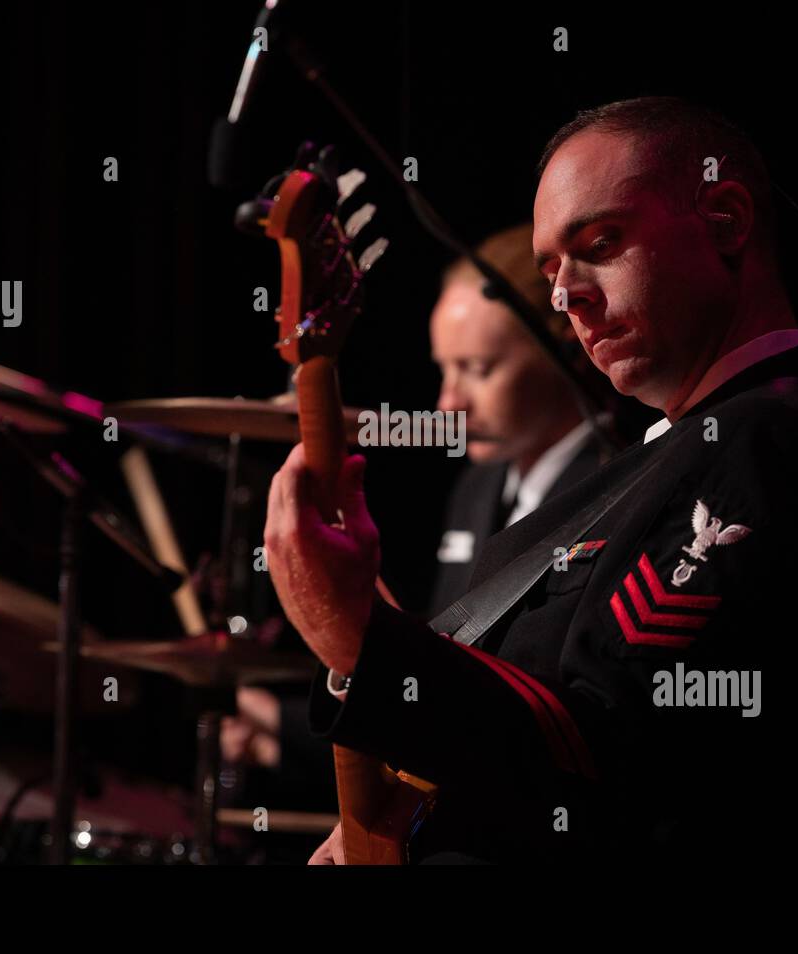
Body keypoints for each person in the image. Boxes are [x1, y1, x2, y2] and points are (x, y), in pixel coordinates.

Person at [264, 96, 798, 864]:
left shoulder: (770, 439)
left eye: (599, 243)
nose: (565, 297)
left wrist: (354, 636)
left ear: (725, 220)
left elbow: (606, 754)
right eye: (552, 269)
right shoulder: (670, 453)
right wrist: (407, 812)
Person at [222, 225, 641, 808]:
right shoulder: (479, 487)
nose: (448, 402)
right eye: (445, 369)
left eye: (478, 367)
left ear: (563, 348)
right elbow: (442, 688)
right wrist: (286, 726)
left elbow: (536, 735)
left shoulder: (618, 489)